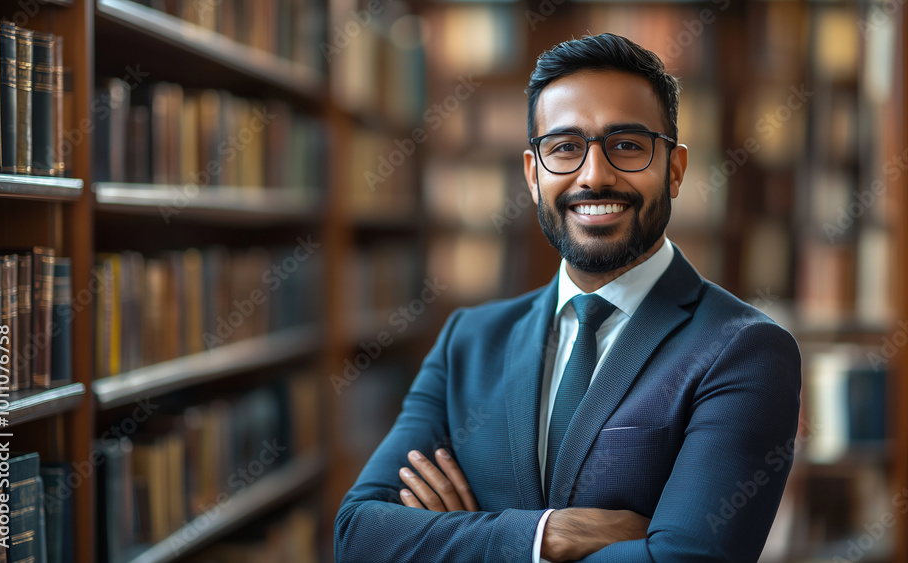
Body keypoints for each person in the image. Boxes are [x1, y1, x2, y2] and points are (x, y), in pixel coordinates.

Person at [334, 32, 801, 562]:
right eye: (564, 148)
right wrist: (545, 537)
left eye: (627, 145)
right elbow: (358, 536)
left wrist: (460, 539)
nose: (594, 175)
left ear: (674, 169)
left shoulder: (747, 352)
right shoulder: (468, 342)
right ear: (533, 176)